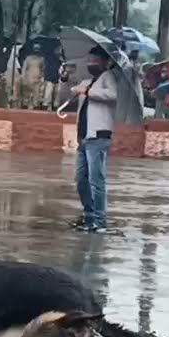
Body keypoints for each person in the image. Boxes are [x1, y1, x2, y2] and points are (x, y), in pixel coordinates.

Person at [71, 46, 119, 233]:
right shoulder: (89, 81)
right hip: (84, 137)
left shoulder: (109, 78)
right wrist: (67, 81)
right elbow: (70, 91)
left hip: (99, 136)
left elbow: (112, 95)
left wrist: (88, 92)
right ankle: (89, 216)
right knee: (81, 179)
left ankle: (100, 221)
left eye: (95, 61)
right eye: (90, 60)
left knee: (96, 180)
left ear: (105, 62)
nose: (91, 63)